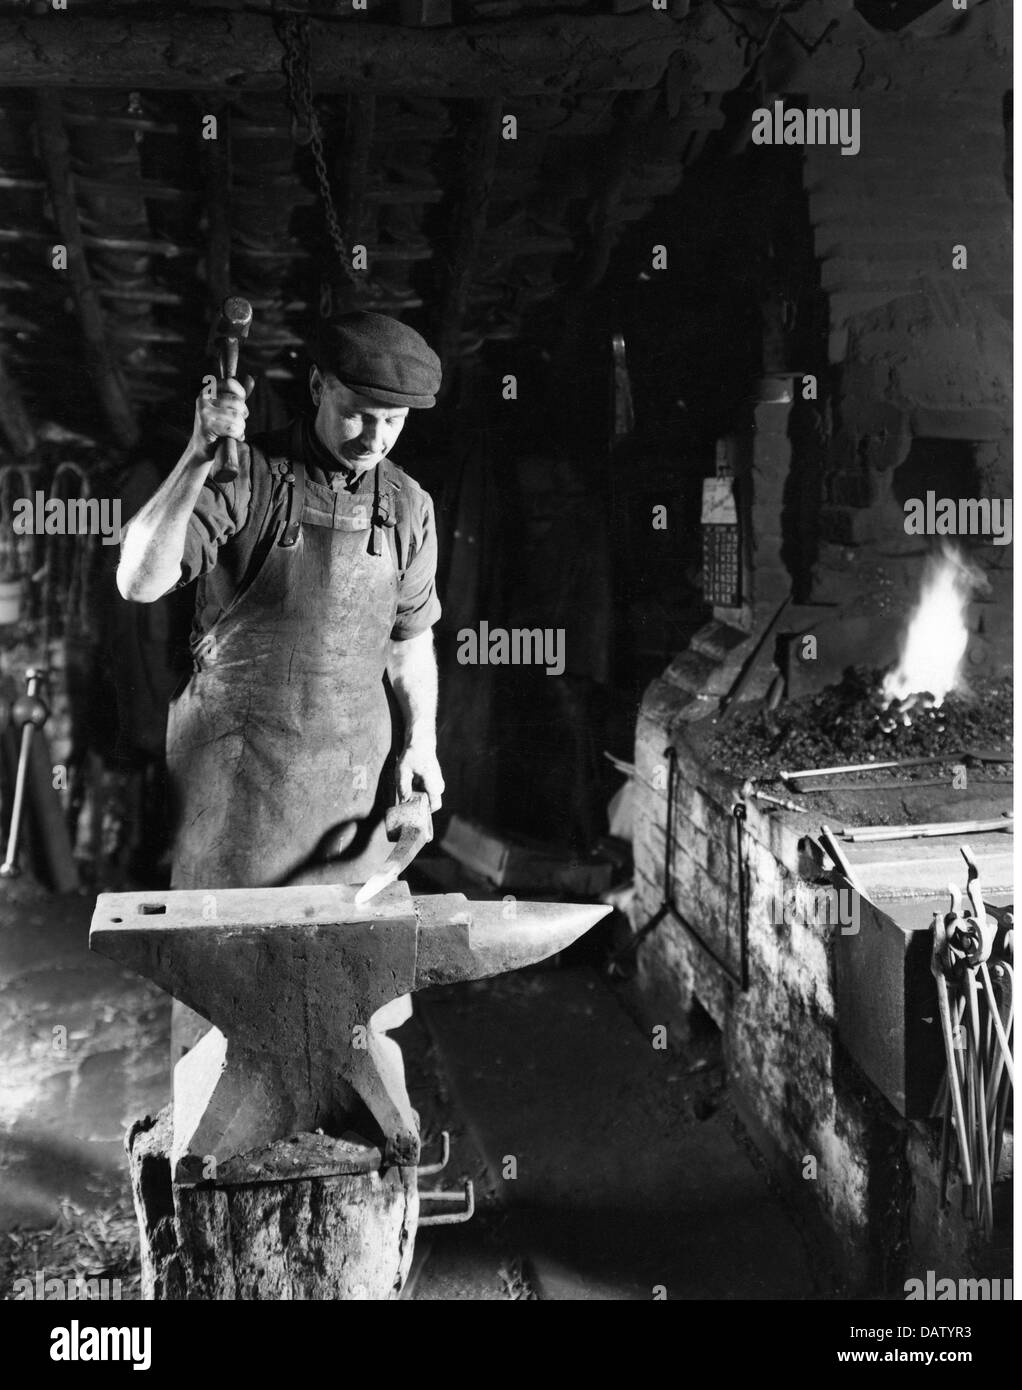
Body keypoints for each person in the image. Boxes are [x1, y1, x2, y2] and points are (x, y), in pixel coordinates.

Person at [117, 311, 445, 898]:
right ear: (318, 387)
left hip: (352, 798)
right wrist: (197, 455)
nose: (374, 440)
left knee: (356, 975)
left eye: (392, 422)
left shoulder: (408, 507)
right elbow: (138, 582)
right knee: (224, 976)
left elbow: (411, 642)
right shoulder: (246, 479)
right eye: (358, 416)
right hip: (232, 793)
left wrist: (422, 740)